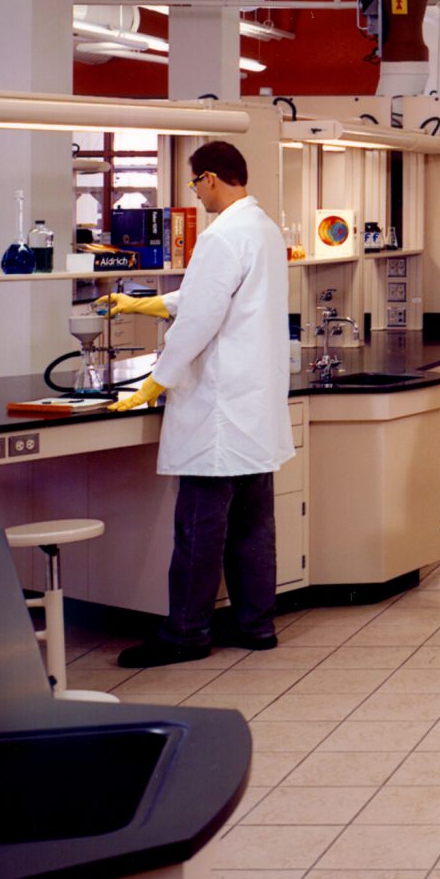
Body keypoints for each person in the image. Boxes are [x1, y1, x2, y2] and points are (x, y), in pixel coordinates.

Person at [102, 140, 295, 668]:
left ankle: (186, 634)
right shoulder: (262, 229)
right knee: (254, 523)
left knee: (199, 527)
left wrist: (155, 381)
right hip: (253, 407)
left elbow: (201, 319)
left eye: (194, 183)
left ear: (210, 178)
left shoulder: (222, 235)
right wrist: (148, 302)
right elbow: (210, 297)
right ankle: (256, 625)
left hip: (220, 408)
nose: (196, 193)